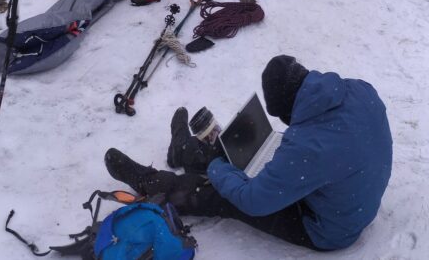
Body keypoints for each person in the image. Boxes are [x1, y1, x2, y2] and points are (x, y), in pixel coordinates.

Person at [104, 55, 393, 251]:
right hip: (349, 197)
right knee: (244, 156)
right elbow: (327, 146)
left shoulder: (309, 148)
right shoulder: (359, 90)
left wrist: (218, 168)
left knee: (228, 195)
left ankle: (152, 181)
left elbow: (253, 201)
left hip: (329, 228)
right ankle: (184, 151)